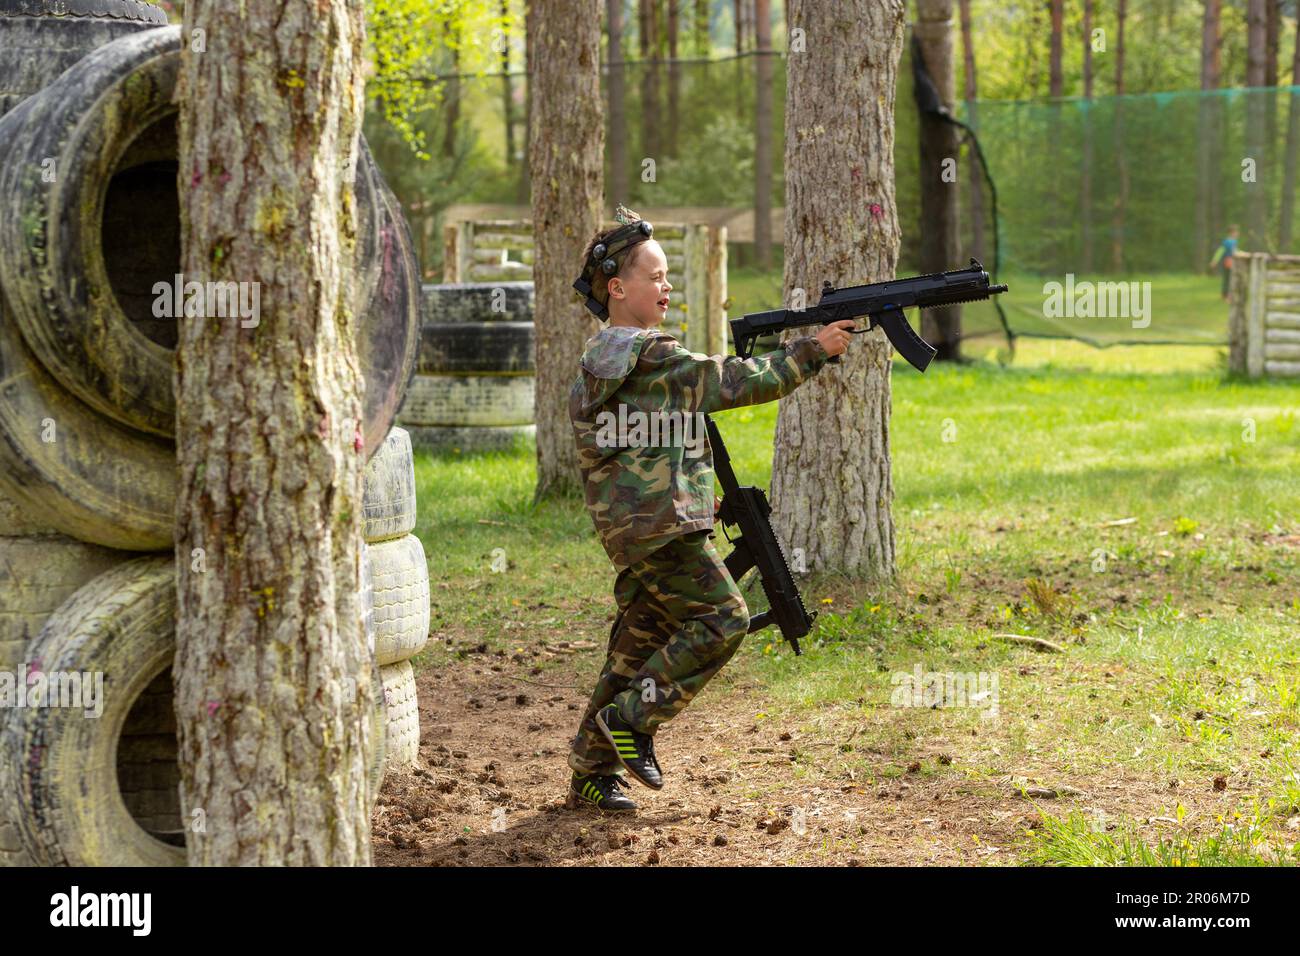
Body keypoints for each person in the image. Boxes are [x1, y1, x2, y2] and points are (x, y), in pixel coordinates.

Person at [565, 203, 856, 811]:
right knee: (723, 618)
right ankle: (631, 718)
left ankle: (592, 773)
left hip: (639, 529)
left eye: (668, 276)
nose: (666, 286)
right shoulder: (648, 353)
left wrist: (695, 493)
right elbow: (732, 381)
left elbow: (632, 445)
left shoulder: (605, 357)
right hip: (661, 532)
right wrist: (813, 350)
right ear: (617, 288)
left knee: (636, 646)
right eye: (655, 276)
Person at [1209, 225, 1239, 301]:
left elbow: (1235, 251)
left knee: (1229, 278)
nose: (1237, 234)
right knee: (1228, 279)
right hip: (1228, 262)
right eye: (1236, 232)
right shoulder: (1227, 242)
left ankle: (1227, 295)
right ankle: (1226, 296)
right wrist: (1214, 261)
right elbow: (1220, 251)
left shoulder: (1234, 242)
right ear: (1231, 233)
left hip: (1231, 262)